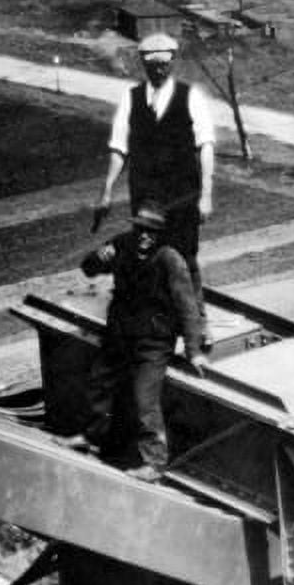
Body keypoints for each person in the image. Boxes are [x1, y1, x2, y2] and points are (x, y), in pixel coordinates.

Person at [73, 203, 208, 482]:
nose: (145, 236)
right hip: (121, 333)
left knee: (144, 398)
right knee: (99, 382)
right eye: (141, 230)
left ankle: (154, 462)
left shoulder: (170, 259)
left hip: (154, 341)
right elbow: (88, 268)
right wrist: (99, 257)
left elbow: (188, 306)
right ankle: (88, 437)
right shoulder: (122, 244)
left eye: (152, 232)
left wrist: (194, 351)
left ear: (161, 235)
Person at [93, 31, 216, 279]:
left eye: (163, 65)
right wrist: (106, 191)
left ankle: (194, 311)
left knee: (185, 256)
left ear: (171, 63)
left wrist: (206, 195)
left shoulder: (191, 97)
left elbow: (206, 147)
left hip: (182, 194)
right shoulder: (131, 99)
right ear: (144, 65)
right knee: (147, 253)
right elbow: (119, 148)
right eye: (152, 66)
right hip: (145, 195)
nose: (158, 71)